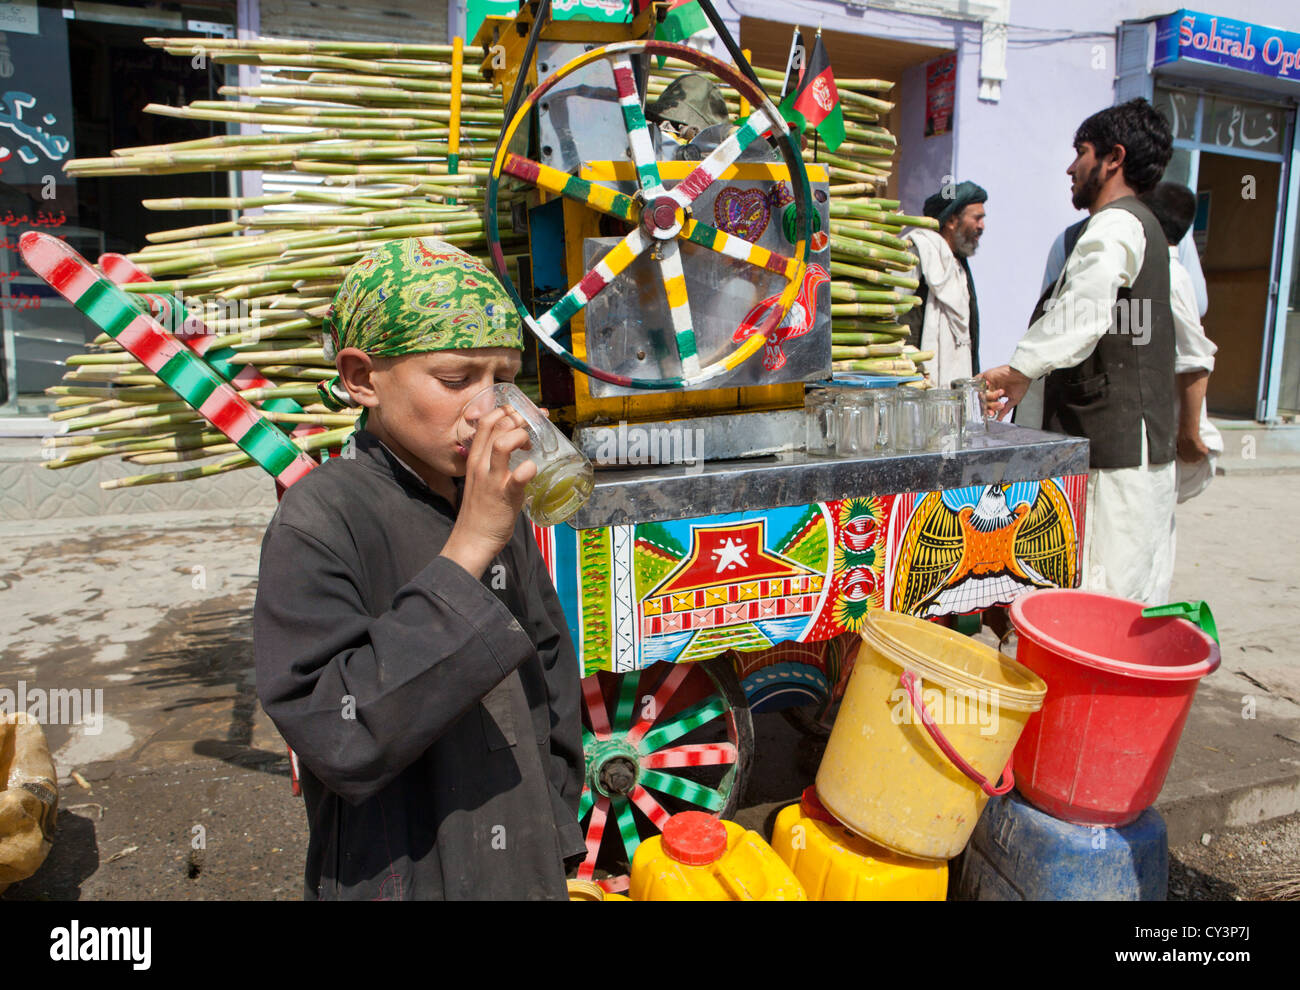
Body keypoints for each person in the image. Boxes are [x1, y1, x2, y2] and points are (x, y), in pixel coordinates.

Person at [253, 238, 586, 900]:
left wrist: (557, 828)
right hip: (399, 870)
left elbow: (548, 671)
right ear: (361, 378)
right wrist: (467, 549)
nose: (487, 410)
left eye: (502, 381)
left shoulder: (489, 500)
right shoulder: (321, 518)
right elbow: (334, 730)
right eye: (457, 380)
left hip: (520, 850)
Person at [981, 99, 1177, 604]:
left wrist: (1020, 368)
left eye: (1081, 152)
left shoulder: (1115, 226)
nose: (1071, 167)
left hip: (1114, 459)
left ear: (1113, 158)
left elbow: (1083, 311)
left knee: (1101, 600)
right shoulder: (1141, 226)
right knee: (1125, 599)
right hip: (1130, 452)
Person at [1139, 180, 1222, 503]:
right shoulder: (1157, 270)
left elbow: (1195, 357)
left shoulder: (1170, 276)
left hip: (1162, 437)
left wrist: (1189, 435)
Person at [899, 180, 986, 384]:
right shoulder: (920, 250)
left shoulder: (959, 266)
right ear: (952, 220)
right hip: (918, 381)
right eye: (977, 218)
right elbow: (903, 319)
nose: (982, 226)